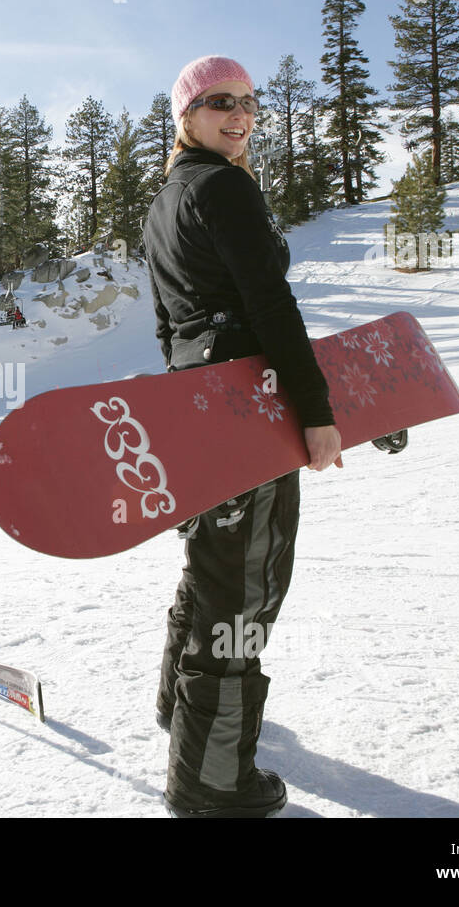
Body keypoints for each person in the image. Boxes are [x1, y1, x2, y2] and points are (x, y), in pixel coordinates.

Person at [142, 56, 342, 818]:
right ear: (186, 115)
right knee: (245, 591)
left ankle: (181, 714)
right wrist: (315, 412)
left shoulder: (166, 200)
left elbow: (168, 327)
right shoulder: (225, 186)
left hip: (199, 402)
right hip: (247, 409)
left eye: (249, 102)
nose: (240, 114)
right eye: (219, 101)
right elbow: (269, 302)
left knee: (212, 568)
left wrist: (188, 410)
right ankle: (213, 782)